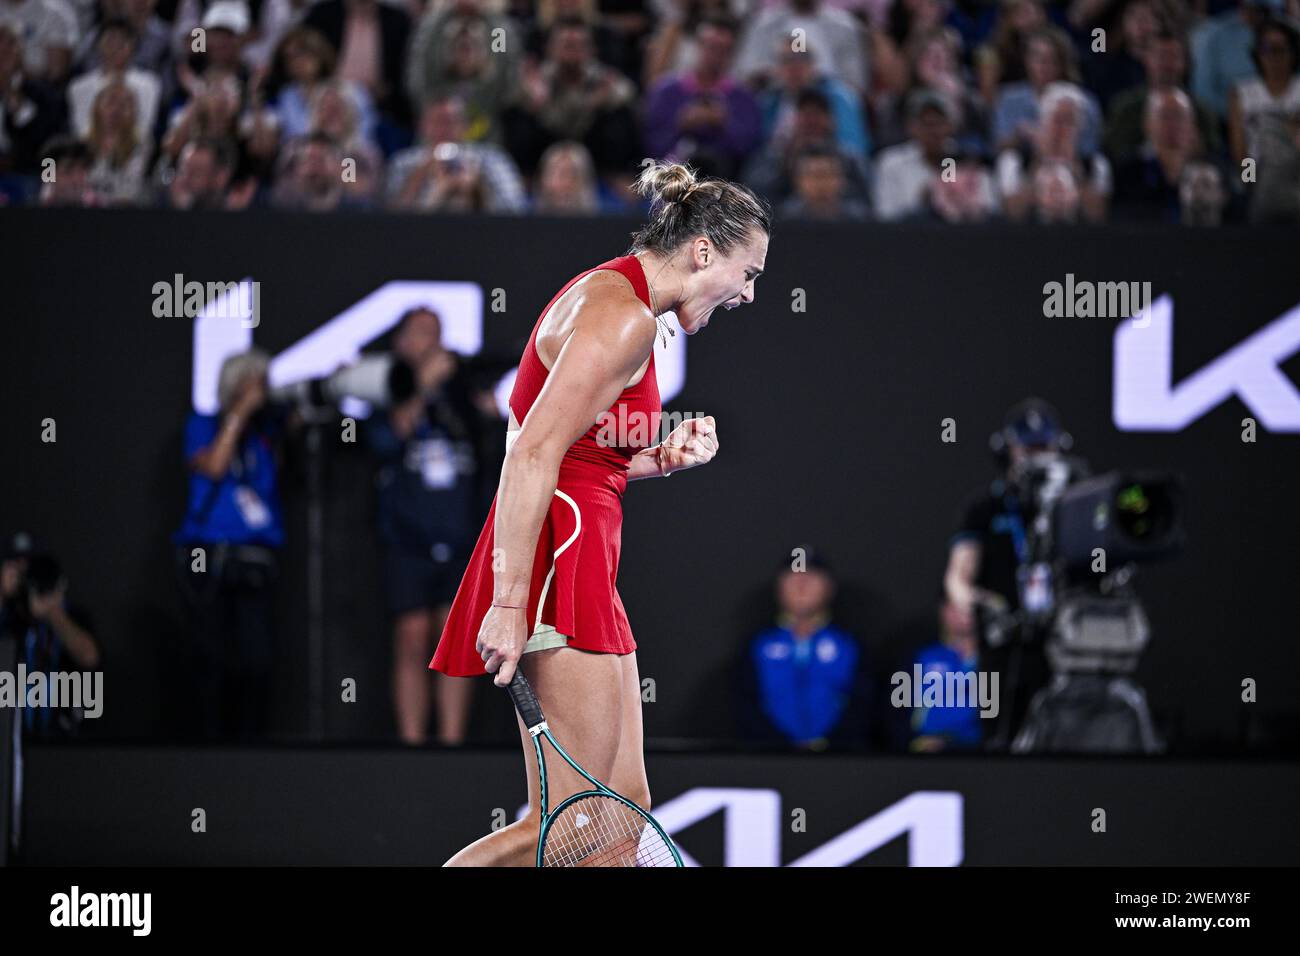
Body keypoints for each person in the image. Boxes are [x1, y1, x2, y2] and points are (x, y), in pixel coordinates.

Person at [429, 159, 770, 866]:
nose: (749, 294)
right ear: (704, 251)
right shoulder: (623, 320)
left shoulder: (621, 301)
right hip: (561, 564)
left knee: (620, 822)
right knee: (570, 826)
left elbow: (581, 451)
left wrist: (661, 454)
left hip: (582, 558)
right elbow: (528, 452)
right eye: (749, 273)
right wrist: (509, 601)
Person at [364, 306, 492, 746]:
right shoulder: (387, 390)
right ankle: (412, 743)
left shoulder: (461, 391)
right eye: (420, 333)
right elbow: (386, 439)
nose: (431, 342)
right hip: (408, 538)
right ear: (400, 342)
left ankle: (451, 744)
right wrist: (422, 386)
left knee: (456, 643)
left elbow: (493, 436)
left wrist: (476, 403)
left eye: (436, 333)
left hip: (460, 537)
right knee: (413, 636)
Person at [942, 397, 1076, 749]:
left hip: (1064, 646)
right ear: (1007, 451)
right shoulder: (984, 507)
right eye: (1026, 448)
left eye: (1043, 448)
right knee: (999, 737)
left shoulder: (1075, 507)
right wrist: (982, 604)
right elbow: (957, 577)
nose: (1035, 458)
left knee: (1064, 738)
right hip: (1003, 644)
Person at [174, 348, 288, 742]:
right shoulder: (203, 425)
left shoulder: (266, 437)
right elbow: (215, 466)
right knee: (209, 656)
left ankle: (250, 747)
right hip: (209, 555)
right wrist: (238, 414)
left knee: (256, 660)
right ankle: (206, 746)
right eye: (252, 384)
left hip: (256, 557)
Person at [735, 549, 874, 751]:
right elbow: (745, 707)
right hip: (768, 760)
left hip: (841, 761)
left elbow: (864, 705)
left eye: (811, 576)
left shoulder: (851, 644)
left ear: (830, 587)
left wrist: (831, 746)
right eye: (792, 577)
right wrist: (781, 747)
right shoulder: (757, 645)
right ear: (778, 588)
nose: (801, 584)